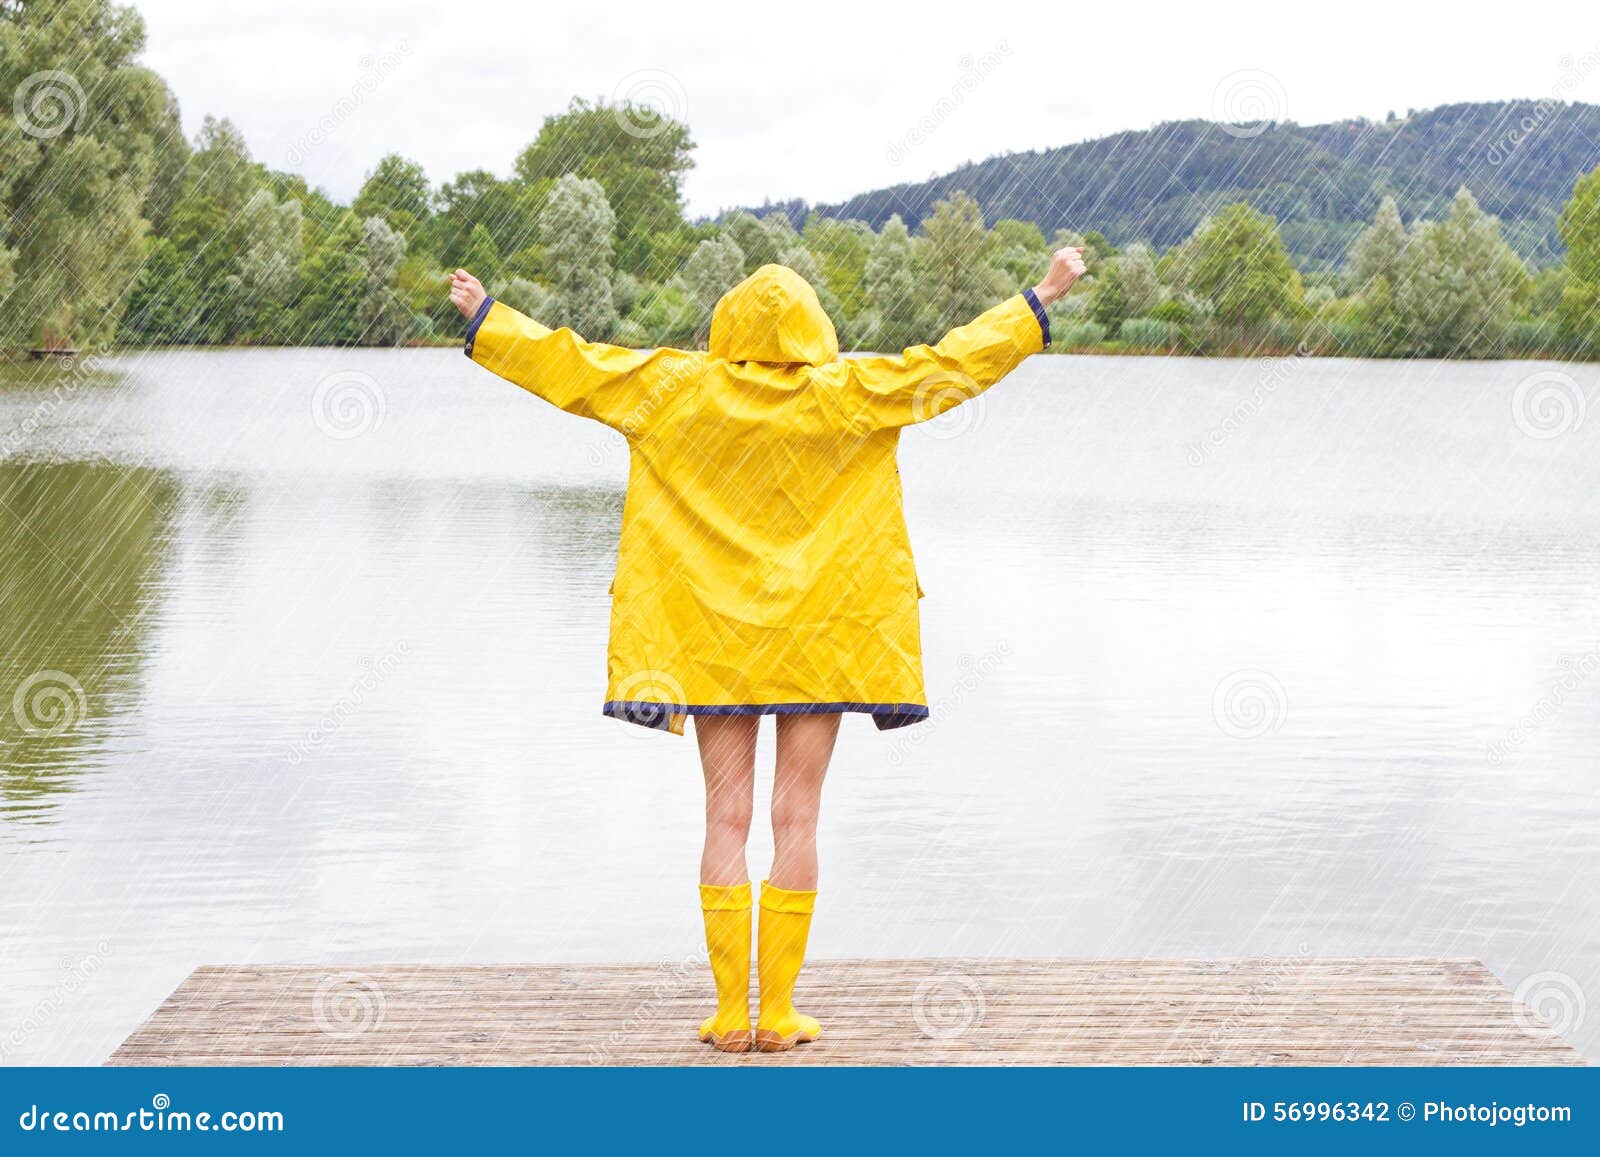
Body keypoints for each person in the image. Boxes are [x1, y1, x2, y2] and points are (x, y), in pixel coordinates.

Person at [449, 246, 1086, 1052]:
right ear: (815, 328)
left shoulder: (674, 388)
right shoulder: (850, 393)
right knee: (797, 816)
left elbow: (570, 366)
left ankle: (727, 1015)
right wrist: (1040, 296)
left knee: (725, 815)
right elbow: (955, 361)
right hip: (820, 640)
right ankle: (777, 1012)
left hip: (714, 643)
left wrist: (486, 318)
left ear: (727, 326)